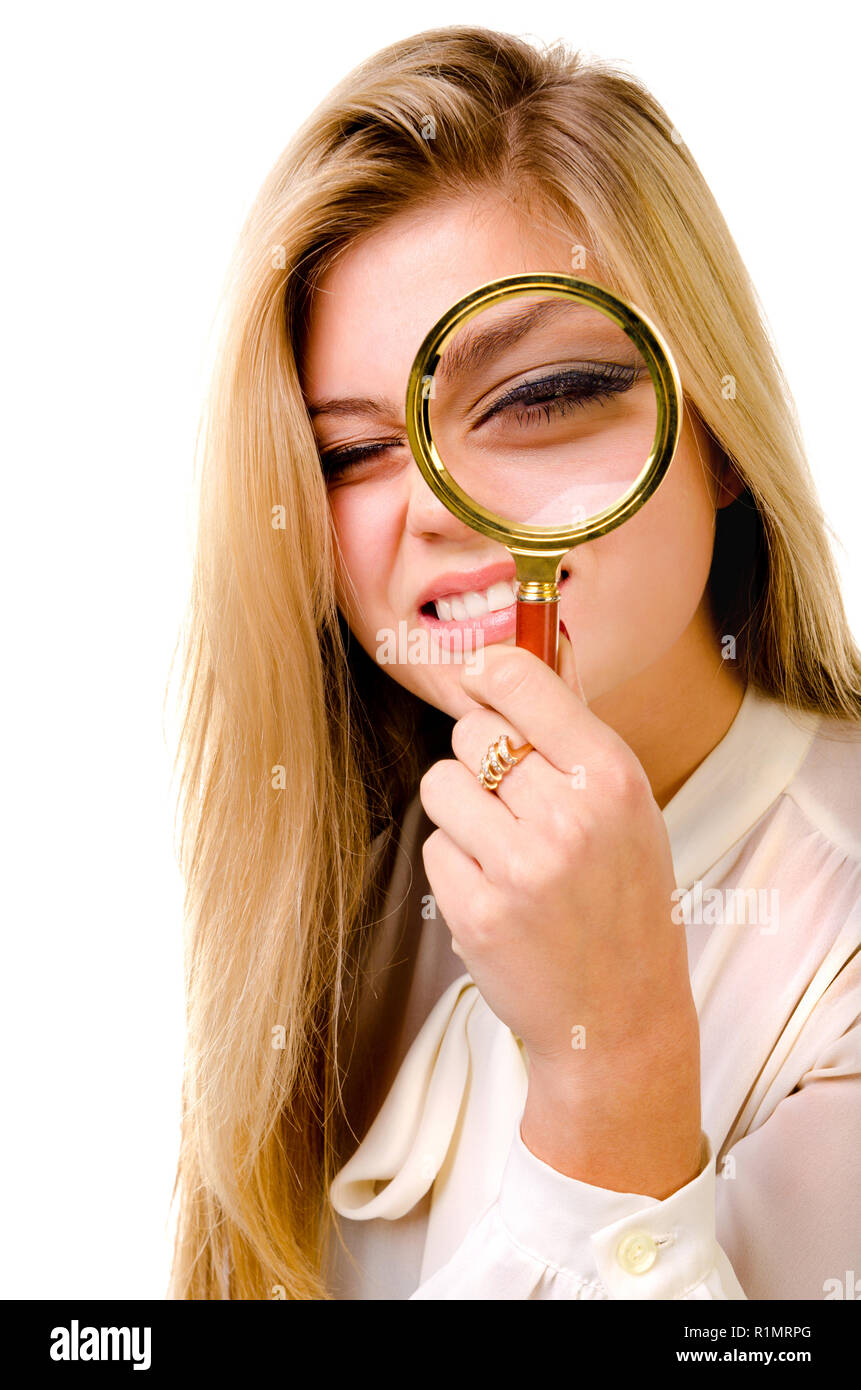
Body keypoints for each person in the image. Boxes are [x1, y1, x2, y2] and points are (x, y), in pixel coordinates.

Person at [168, 24, 861, 1300]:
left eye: (536, 397)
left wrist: (616, 1067)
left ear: (717, 436)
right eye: (351, 453)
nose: (435, 504)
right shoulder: (345, 890)